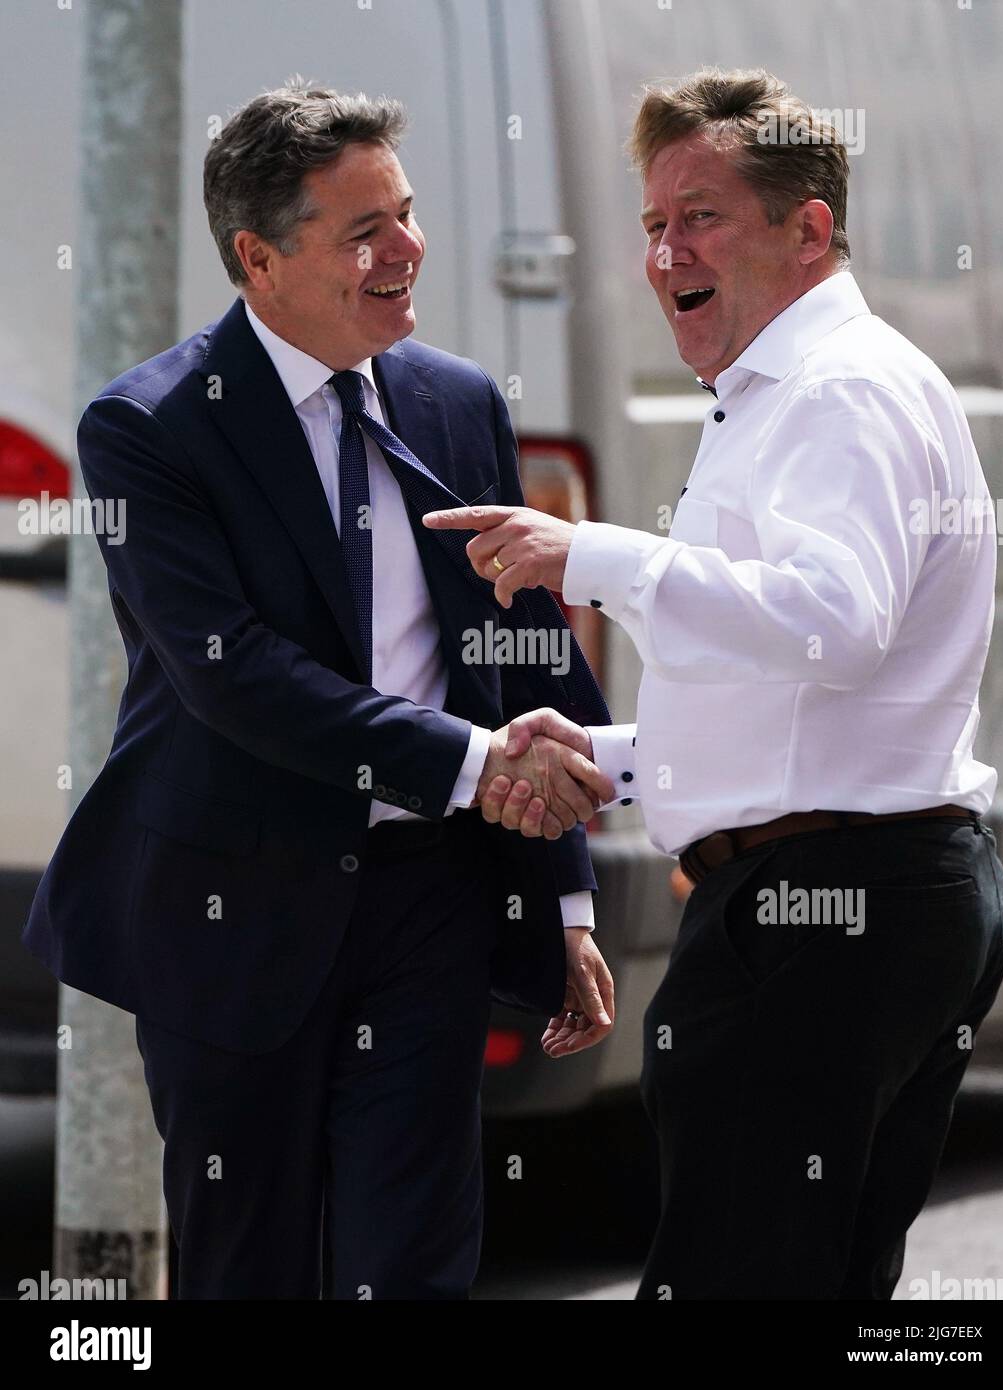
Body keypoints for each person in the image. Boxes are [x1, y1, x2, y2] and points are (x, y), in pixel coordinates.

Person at [426, 66, 1003, 1299]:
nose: (664, 254)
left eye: (700, 216)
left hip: (830, 915)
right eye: (651, 224)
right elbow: (801, 690)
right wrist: (618, 762)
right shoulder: (787, 388)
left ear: (809, 229)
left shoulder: (834, 388)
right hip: (863, 892)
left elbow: (835, 626)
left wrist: (587, 554)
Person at [23, 82, 616, 1300]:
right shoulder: (149, 428)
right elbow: (232, 675)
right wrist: (471, 763)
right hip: (233, 913)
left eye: (404, 213)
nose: (406, 251)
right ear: (259, 255)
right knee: (251, 1271)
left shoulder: (457, 401)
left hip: (427, 906)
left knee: (413, 1267)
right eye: (364, 232)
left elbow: (521, 647)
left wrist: (564, 896)